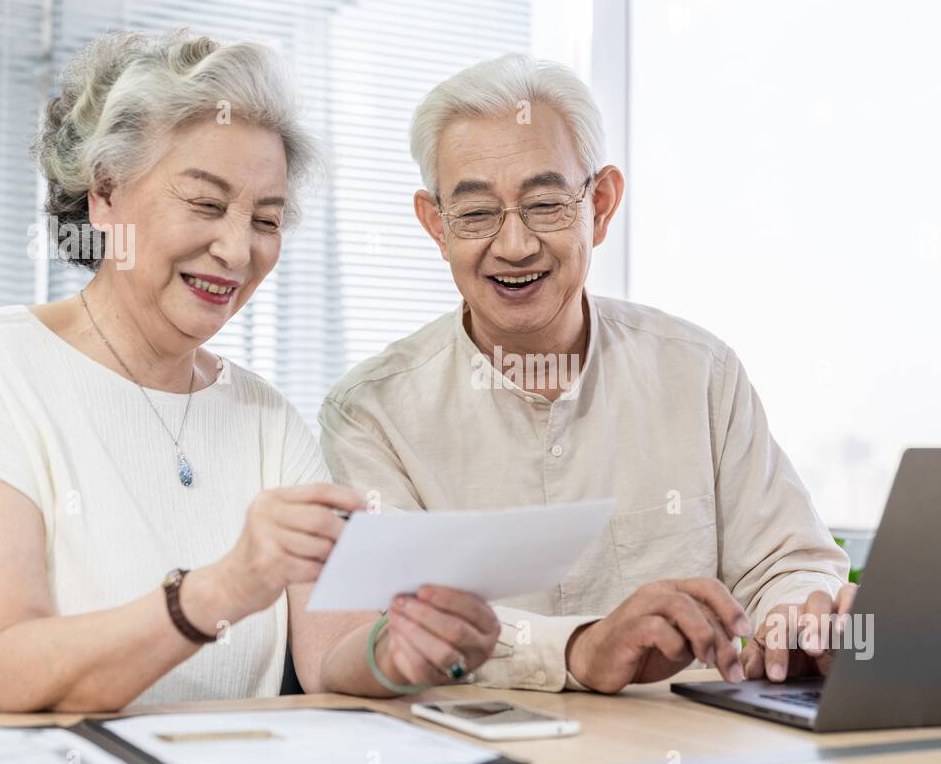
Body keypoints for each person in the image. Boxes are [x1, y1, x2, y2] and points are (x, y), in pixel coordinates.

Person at [0, 31, 496, 720]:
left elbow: (329, 656)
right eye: (205, 204)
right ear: (105, 194)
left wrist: (398, 650)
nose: (237, 249)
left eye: (266, 219)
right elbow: (1, 674)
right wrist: (223, 586)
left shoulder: (266, 418)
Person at [314, 54, 854, 694]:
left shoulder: (698, 372)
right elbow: (395, 627)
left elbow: (786, 561)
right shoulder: (369, 413)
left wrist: (799, 612)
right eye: (477, 213)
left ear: (600, 205)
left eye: (544, 204)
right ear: (437, 225)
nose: (513, 246)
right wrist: (578, 648)